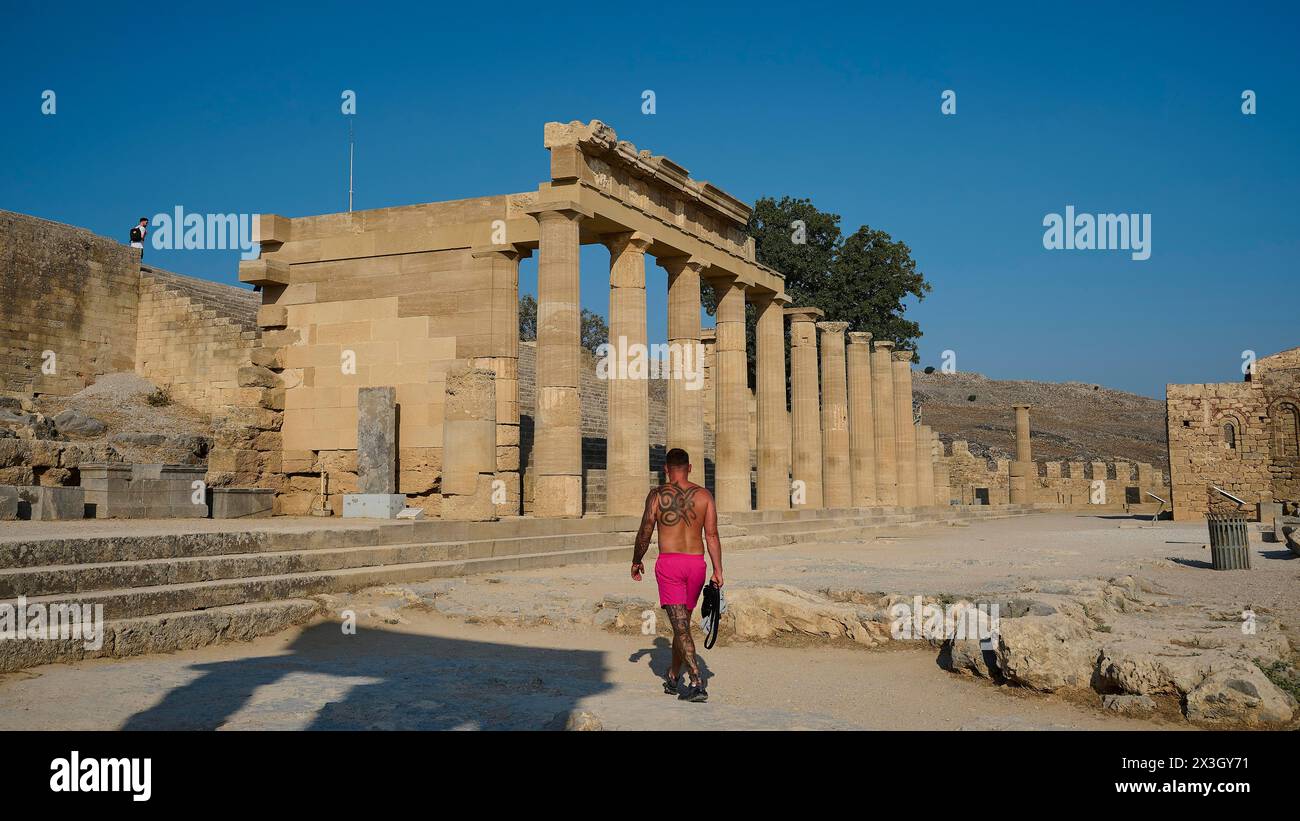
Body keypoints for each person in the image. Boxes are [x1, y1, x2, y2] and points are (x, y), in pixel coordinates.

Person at [630, 447, 723, 702]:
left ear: (665, 469)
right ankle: (672, 675)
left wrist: (637, 561)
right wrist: (718, 570)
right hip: (696, 564)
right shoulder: (704, 496)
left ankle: (696, 680)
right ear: (690, 468)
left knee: (681, 627)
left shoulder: (658, 495)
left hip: (670, 564)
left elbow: (646, 531)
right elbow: (712, 535)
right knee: (681, 625)